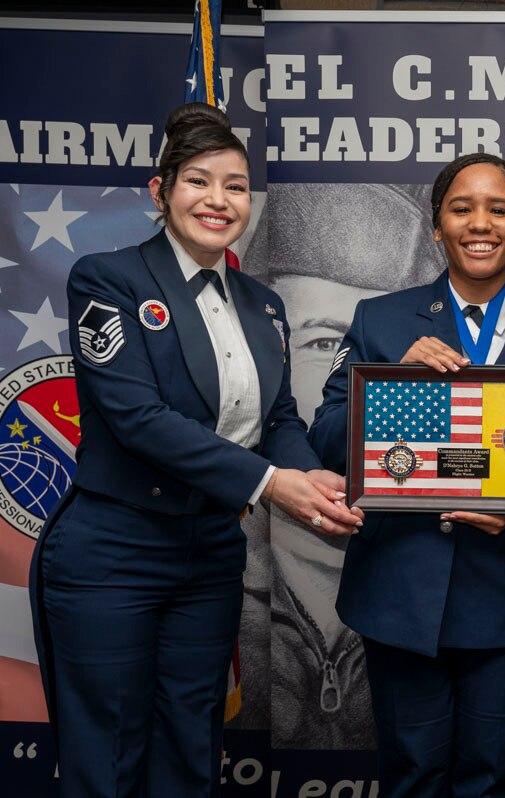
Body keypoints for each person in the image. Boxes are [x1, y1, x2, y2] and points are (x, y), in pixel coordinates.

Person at [27, 102, 363, 797]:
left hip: (209, 552)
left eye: (235, 185)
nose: (218, 200)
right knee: (108, 754)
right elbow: (139, 419)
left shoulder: (261, 304)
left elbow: (278, 419)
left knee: (190, 744)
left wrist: (315, 480)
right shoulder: (109, 280)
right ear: (162, 191)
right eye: (199, 181)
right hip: (113, 550)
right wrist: (273, 484)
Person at [306, 152, 505, 797]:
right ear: (439, 225)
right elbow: (327, 438)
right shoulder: (382, 323)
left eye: (498, 209)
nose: (481, 223)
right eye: (461, 208)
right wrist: (392, 384)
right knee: (412, 778)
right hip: (403, 595)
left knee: (498, 781)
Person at [234, 183, 445, 748]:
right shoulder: (213, 601)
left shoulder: (446, 601)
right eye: (330, 344)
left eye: (391, 352)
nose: (367, 377)